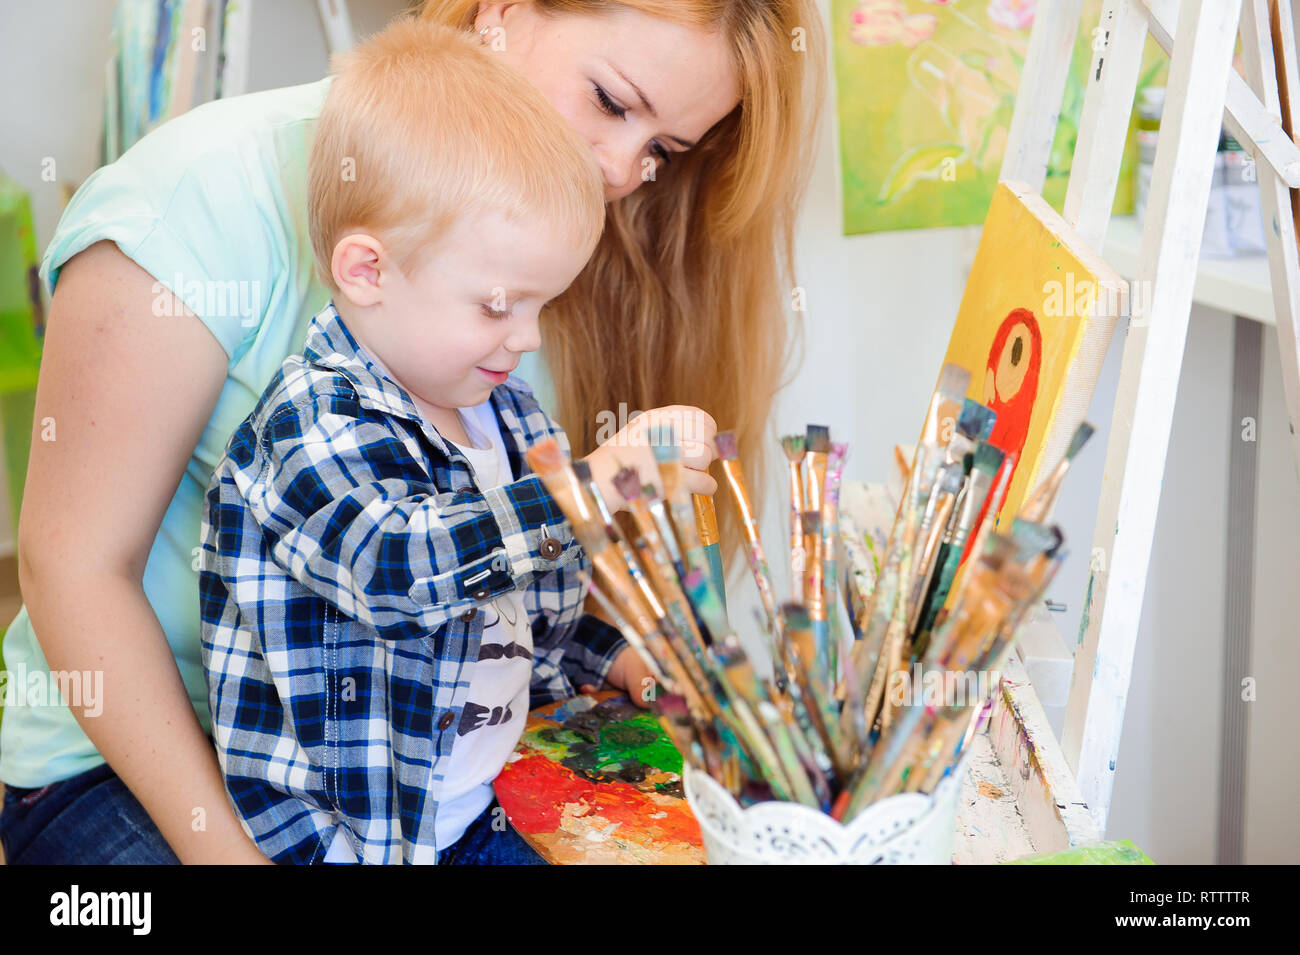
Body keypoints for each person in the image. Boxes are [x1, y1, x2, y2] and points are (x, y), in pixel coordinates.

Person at [0, 0, 824, 864]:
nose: (624, 171)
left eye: (663, 151)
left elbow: (500, 590)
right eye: (613, 102)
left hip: (408, 758)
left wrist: (614, 654)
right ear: (502, 12)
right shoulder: (199, 199)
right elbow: (75, 567)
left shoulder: (519, 288)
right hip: (139, 763)